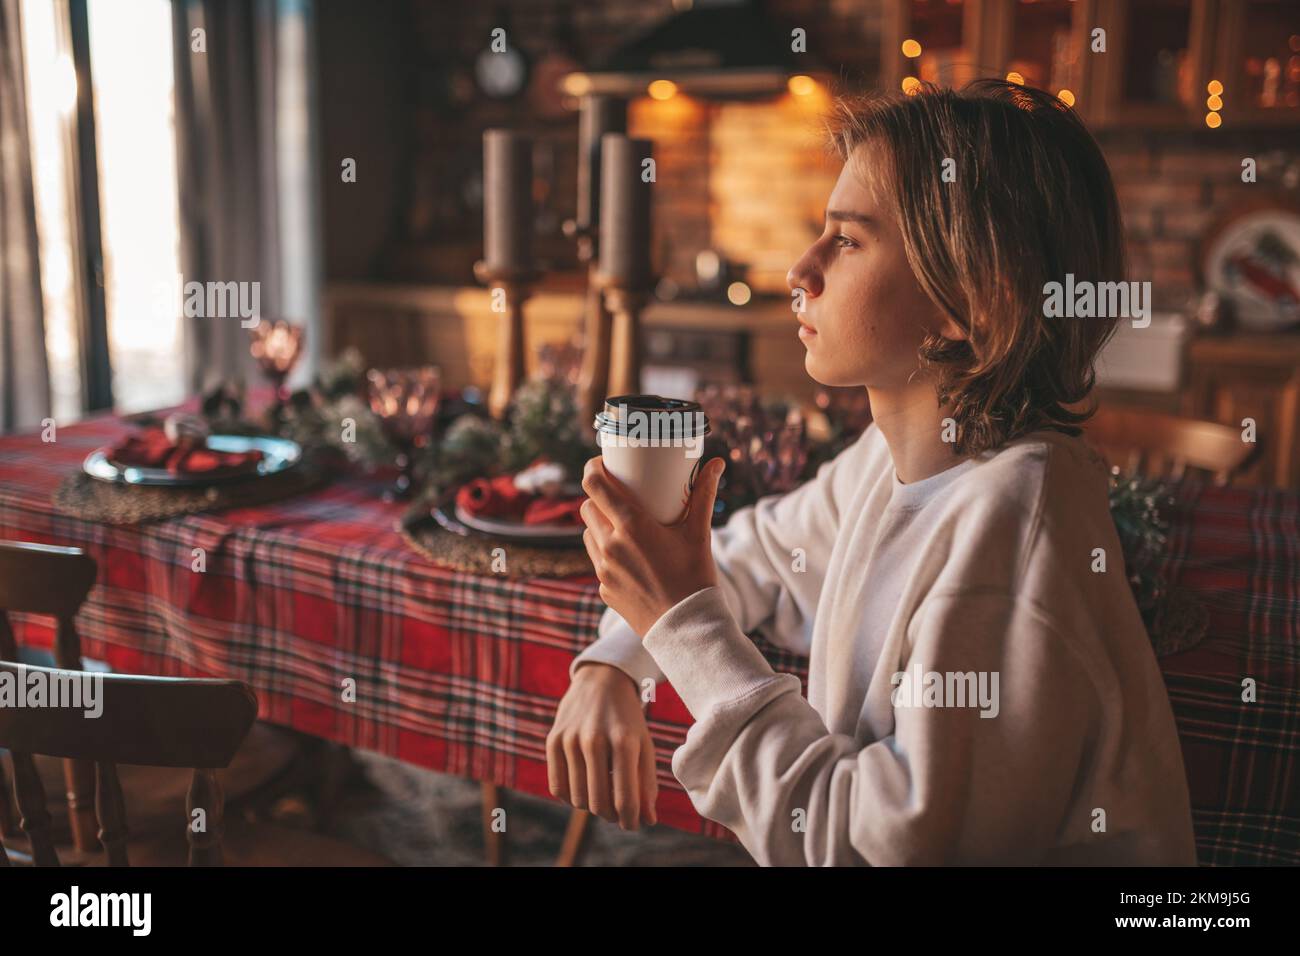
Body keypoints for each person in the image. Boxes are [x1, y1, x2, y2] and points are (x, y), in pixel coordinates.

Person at [547, 79, 1197, 866]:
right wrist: (615, 663)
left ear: (971, 298)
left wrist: (683, 623)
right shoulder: (886, 466)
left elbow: (868, 854)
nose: (800, 268)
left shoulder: (1014, 525)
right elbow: (758, 558)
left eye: (848, 241)